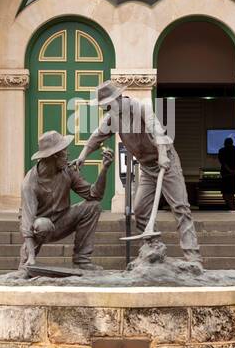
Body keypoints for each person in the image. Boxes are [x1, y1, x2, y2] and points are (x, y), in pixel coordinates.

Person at [76, 79, 202, 265]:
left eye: (107, 104)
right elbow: (96, 138)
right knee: (141, 210)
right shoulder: (112, 117)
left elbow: (157, 131)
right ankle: (153, 248)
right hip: (147, 168)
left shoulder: (142, 108)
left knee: (180, 207)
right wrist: (82, 156)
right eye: (103, 106)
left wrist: (162, 155)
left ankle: (193, 257)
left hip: (166, 163)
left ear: (118, 98)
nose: (105, 109)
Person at [19, 130, 113, 270]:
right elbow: (27, 223)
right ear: (55, 156)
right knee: (42, 224)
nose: (67, 155)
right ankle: (26, 262)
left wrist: (104, 169)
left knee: (93, 206)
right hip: (39, 228)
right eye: (64, 152)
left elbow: (94, 195)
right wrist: (31, 256)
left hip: (63, 221)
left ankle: (82, 260)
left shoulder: (67, 171)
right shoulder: (30, 183)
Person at [217, 136, 235, 210]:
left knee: (225, 193)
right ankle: (232, 206)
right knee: (232, 192)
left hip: (225, 175)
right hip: (234, 175)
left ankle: (230, 206)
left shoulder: (221, 151)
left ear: (224, 143)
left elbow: (223, 163)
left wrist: (229, 170)